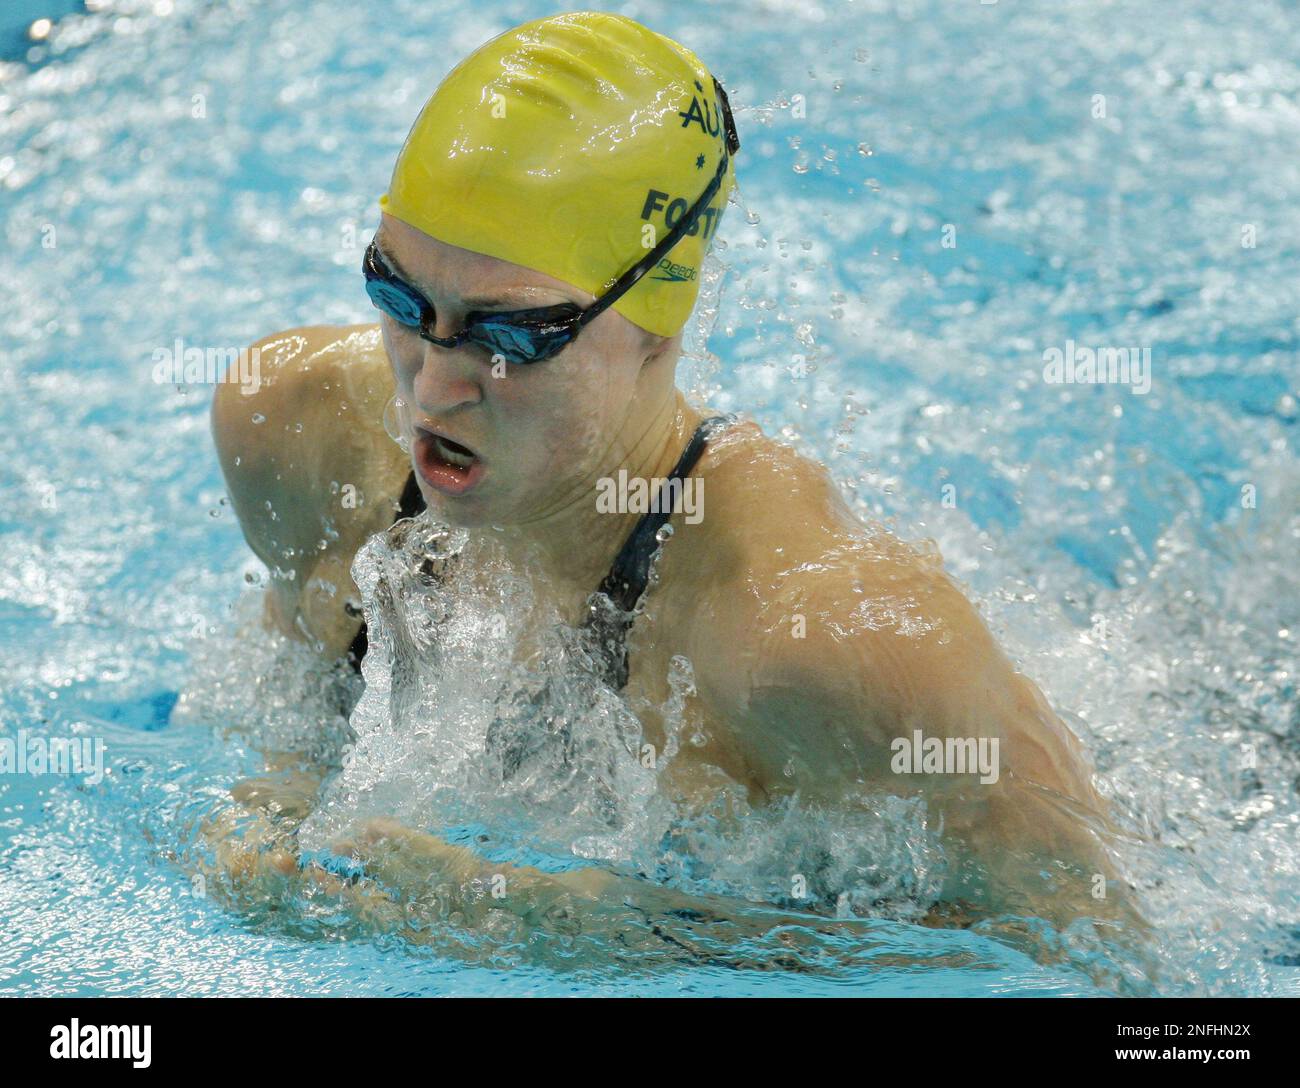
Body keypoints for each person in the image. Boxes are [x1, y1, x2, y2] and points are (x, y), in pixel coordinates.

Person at [208, 11, 1136, 940]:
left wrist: (617, 937)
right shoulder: (296, 428)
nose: (437, 387)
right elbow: (294, 719)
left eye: (514, 336)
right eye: (398, 298)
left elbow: (1091, 943)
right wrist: (276, 820)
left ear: (661, 322)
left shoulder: (814, 648)